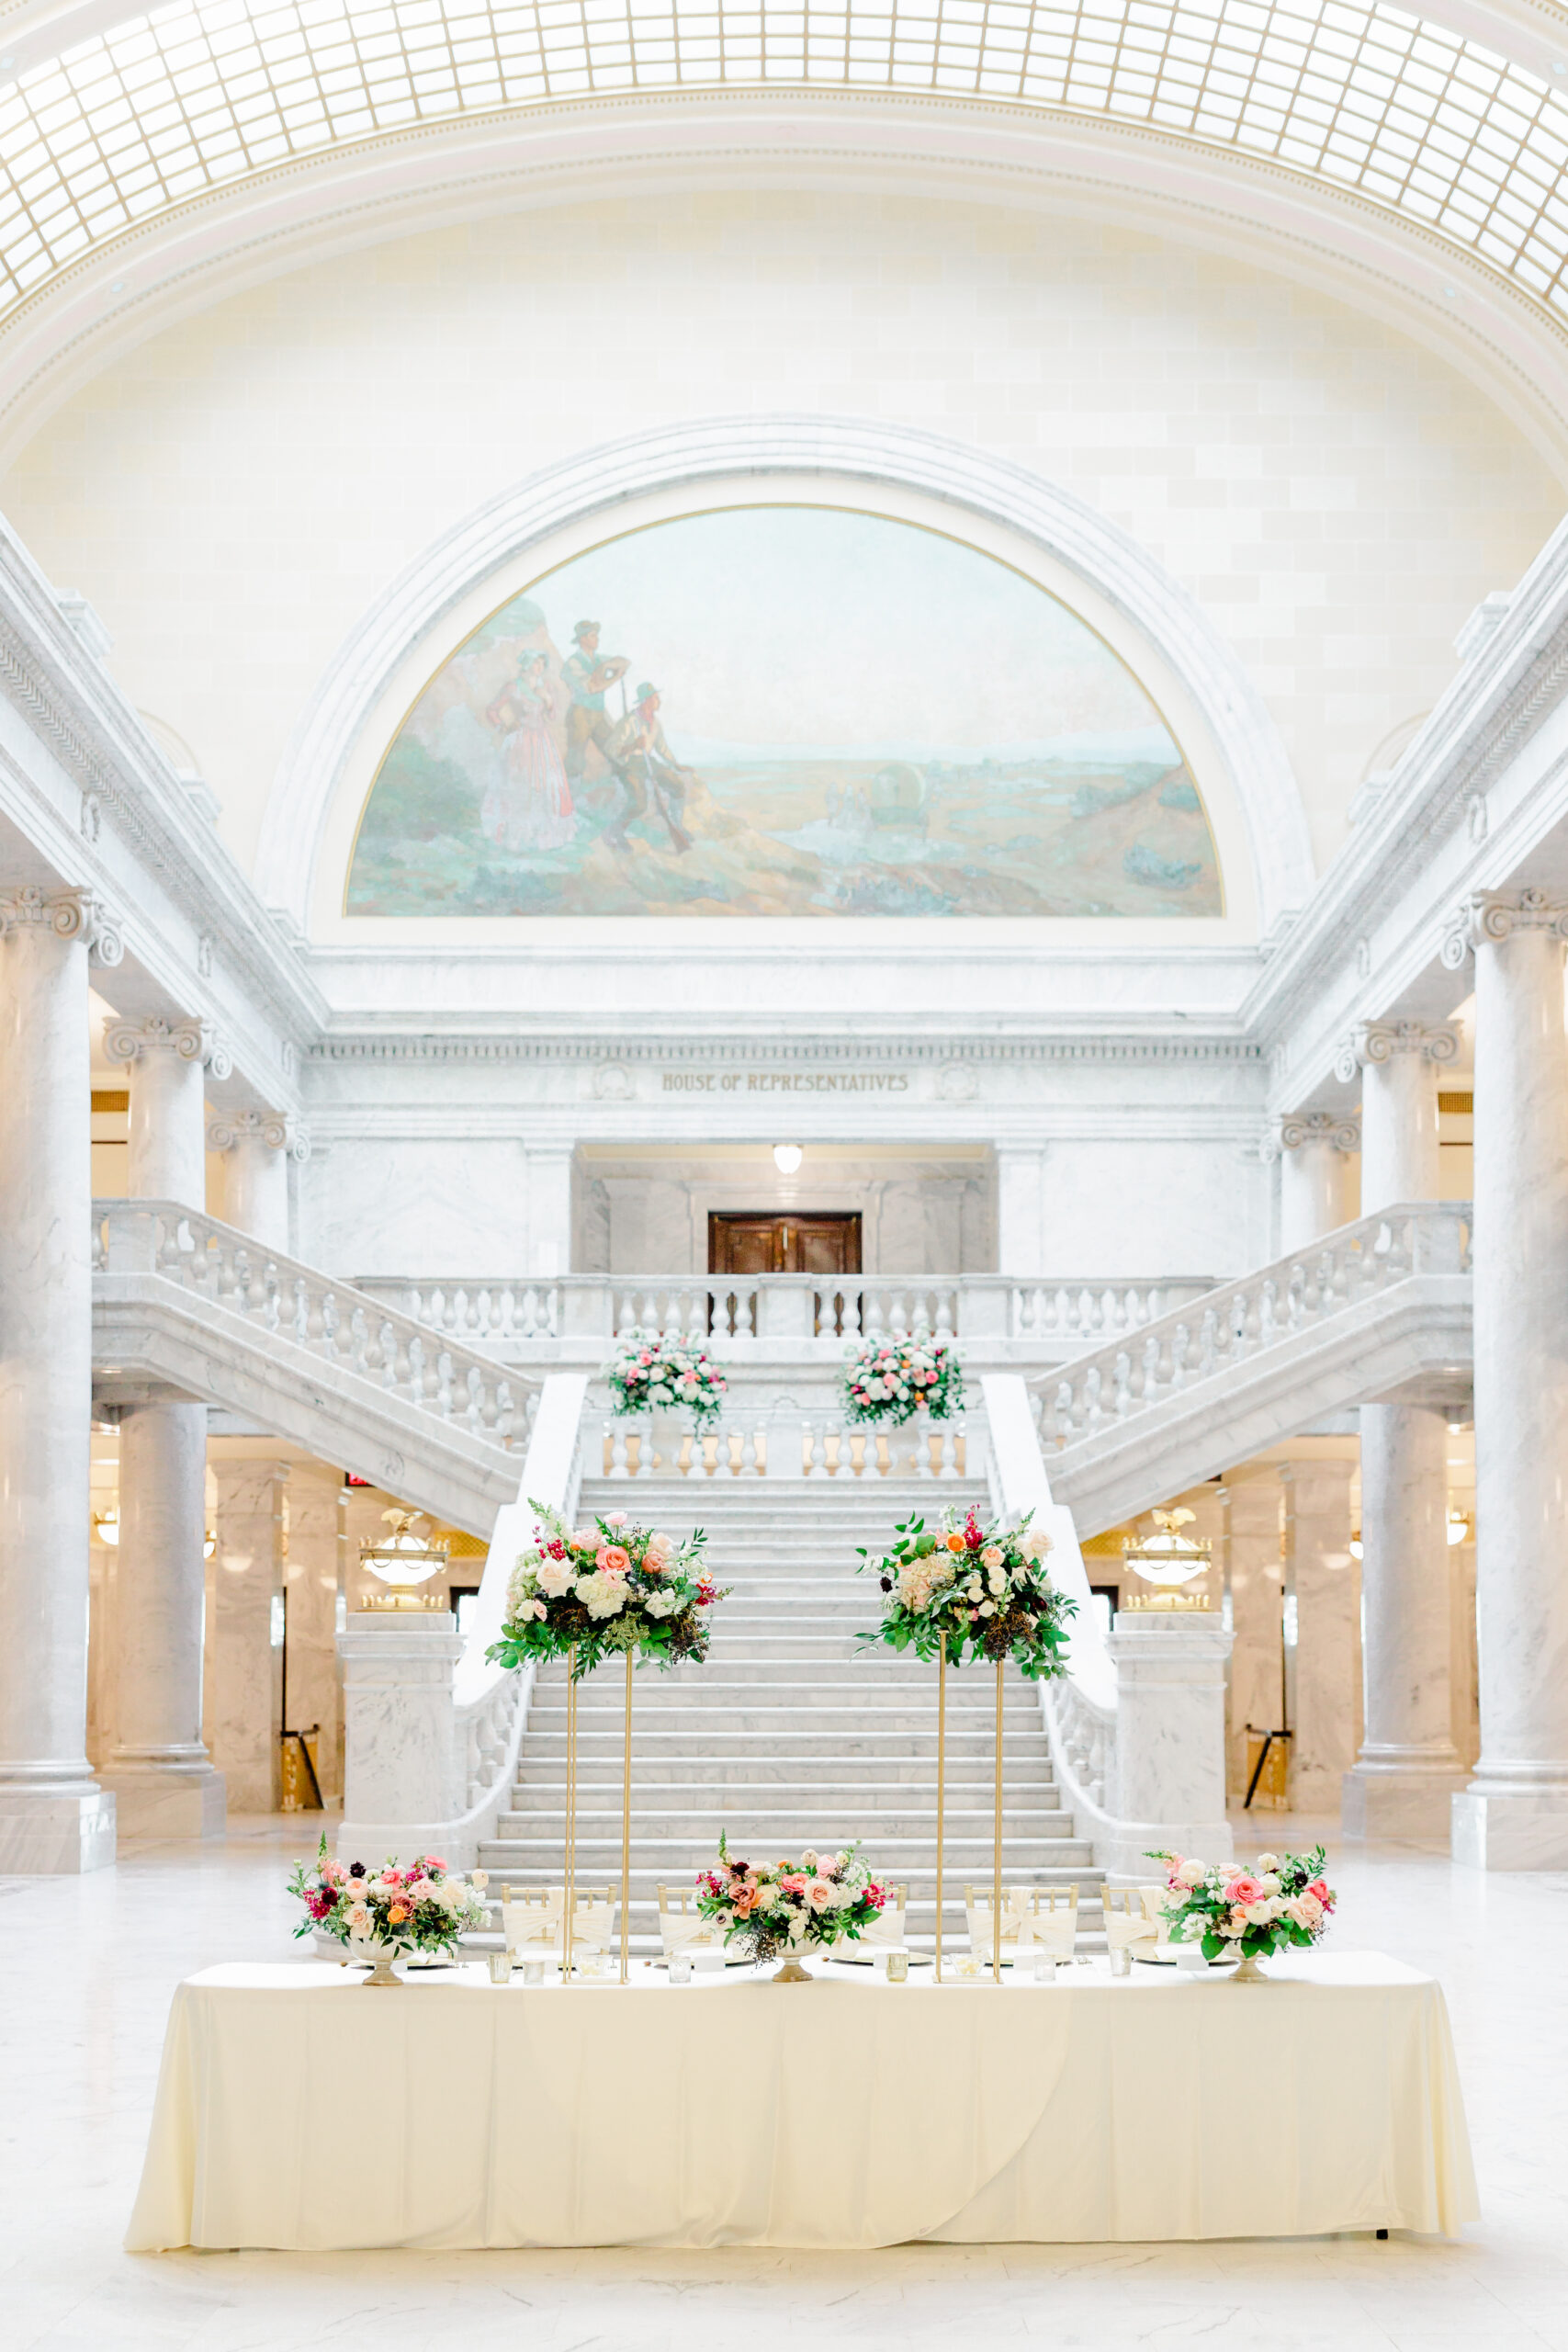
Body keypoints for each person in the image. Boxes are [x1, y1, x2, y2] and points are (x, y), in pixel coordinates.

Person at [481, 650, 575, 853]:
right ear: (526, 664)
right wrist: (503, 726)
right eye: (535, 662)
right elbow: (491, 710)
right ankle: (515, 838)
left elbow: (552, 716)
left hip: (542, 740)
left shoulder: (545, 686)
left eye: (542, 662)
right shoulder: (513, 686)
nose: (539, 666)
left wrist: (549, 700)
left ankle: (539, 836)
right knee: (520, 784)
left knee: (545, 785)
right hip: (520, 740)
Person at [604, 682, 695, 854]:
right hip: (628, 764)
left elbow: (662, 748)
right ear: (646, 701)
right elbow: (611, 749)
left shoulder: (655, 723)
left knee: (677, 785)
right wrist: (633, 746)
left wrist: (676, 765)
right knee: (639, 802)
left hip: (647, 762)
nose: (659, 701)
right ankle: (614, 831)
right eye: (655, 698)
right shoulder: (629, 722)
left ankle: (677, 826)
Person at [561, 621, 628, 782]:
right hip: (580, 715)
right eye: (593, 635)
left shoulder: (599, 659)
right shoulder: (573, 662)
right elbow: (592, 688)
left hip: (598, 714)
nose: (597, 639)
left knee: (613, 750)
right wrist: (615, 677)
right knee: (575, 760)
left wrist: (605, 665)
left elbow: (625, 662)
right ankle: (571, 799)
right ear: (582, 639)